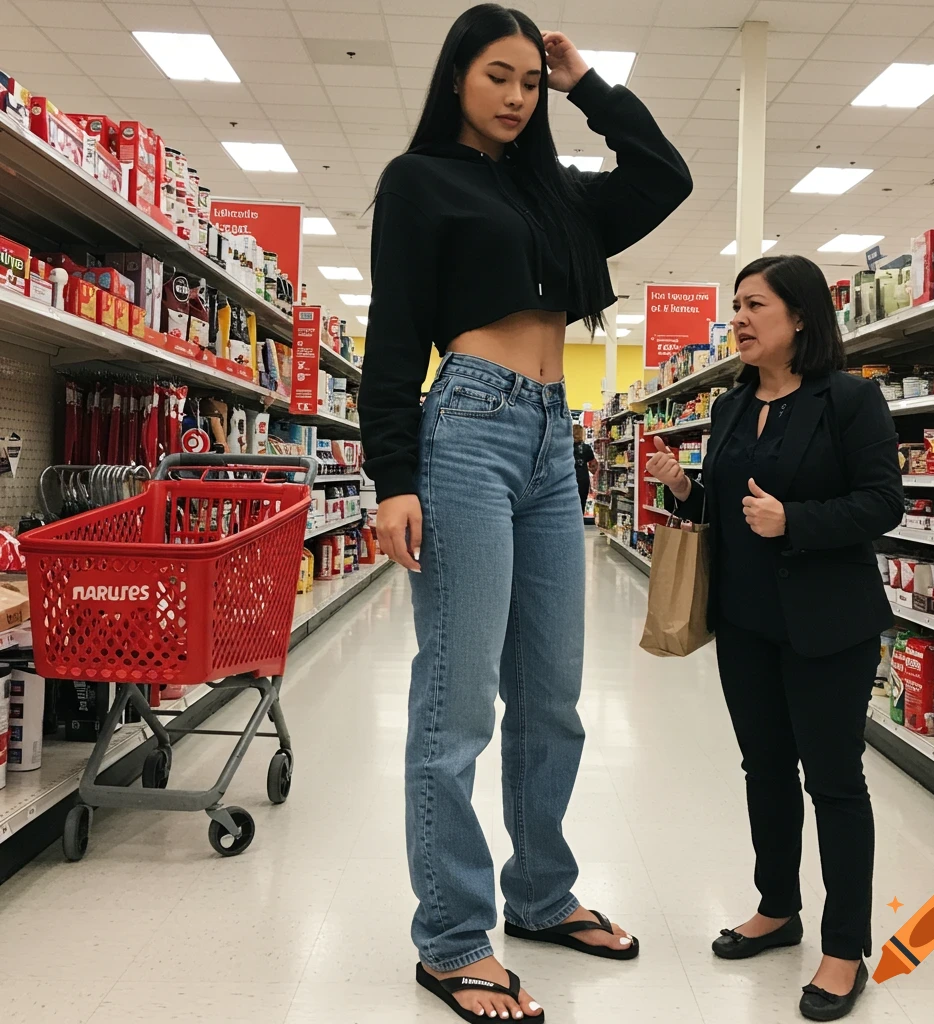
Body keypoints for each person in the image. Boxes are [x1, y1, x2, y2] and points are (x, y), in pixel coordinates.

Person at [357, 5, 692, 1021]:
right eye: (496, 74)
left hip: (555, 441)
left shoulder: (558, 194)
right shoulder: (419, 183)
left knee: (551, 696)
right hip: (465, 431)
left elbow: (663, 175)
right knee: (457, 703)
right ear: (455, 75)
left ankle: (541, 896)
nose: (514, 95)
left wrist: (585, 80)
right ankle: (452, 937)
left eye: (527, 82)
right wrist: (391, 479)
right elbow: (392, 335)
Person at [648, 255, 903, 1022]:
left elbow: (883, 503)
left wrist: (798, 520)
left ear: (800, 317)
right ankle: (777, 906)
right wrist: (684, 487)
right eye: (735, 306)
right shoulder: (730, 407)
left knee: (833, 780)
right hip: (746, 623)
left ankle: (844, 946)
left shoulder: (850, 401)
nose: (740, 319)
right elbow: (727, 509)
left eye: (755, 305)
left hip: (829, 626)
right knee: (764, 768)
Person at [572, 424, 598, 516]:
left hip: (568, 479)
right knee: (581, 504)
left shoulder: (565, 448)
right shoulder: (586, 448)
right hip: (582, 479)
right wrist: (586, 467)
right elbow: (594, 467)